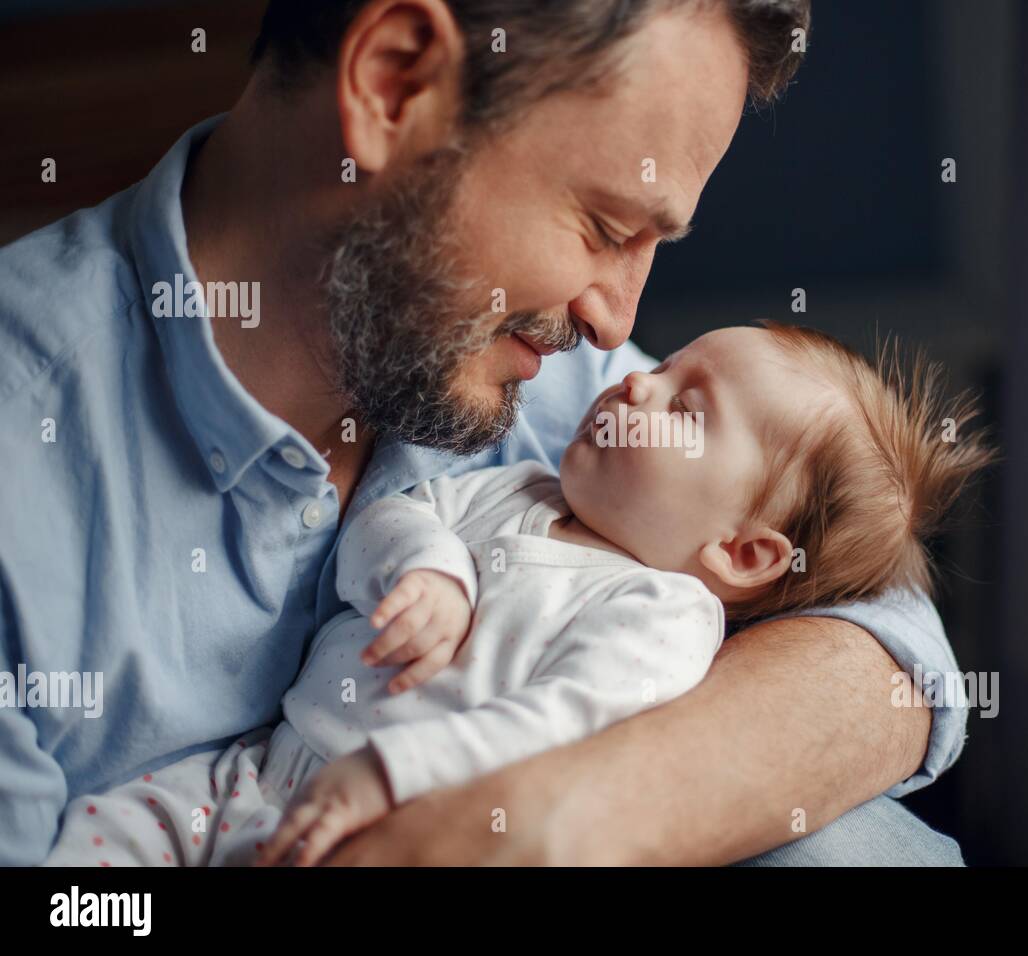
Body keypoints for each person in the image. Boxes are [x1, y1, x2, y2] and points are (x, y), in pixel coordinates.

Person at [1, 0, 967, 866]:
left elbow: (884, 630)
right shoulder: (26, 450)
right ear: (394, 84)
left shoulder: (555, 385)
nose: (618, 328)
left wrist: (569, 815)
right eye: (603, 225)